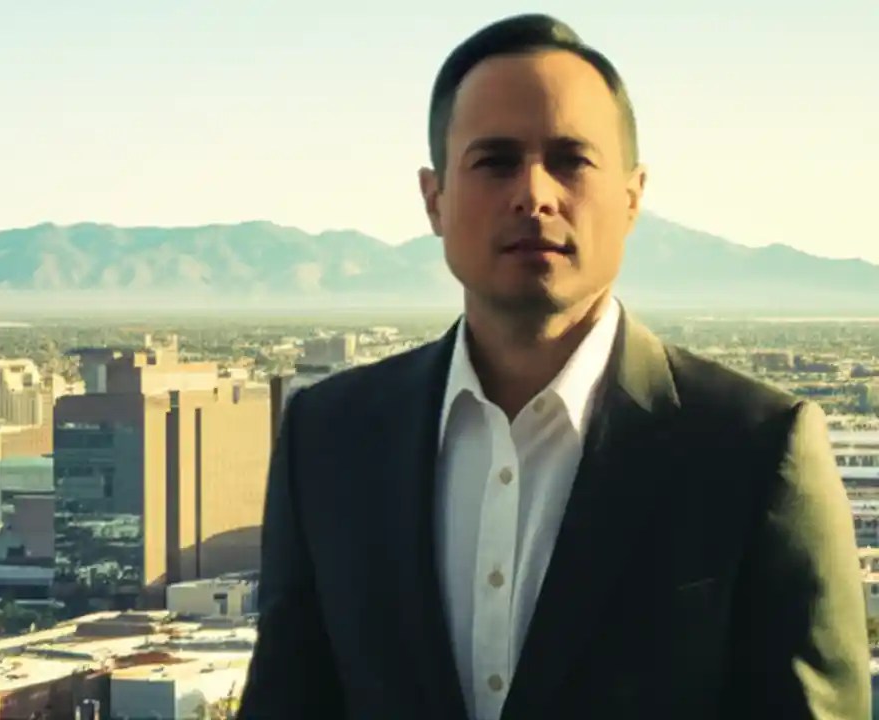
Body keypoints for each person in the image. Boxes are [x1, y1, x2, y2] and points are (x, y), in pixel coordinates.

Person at [237, 13, 870, 720]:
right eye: (496, 160)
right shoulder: (329, 439)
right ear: (434, 198)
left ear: (632, 197)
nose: (534, 193)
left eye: (571, 158)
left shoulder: (755, 450)